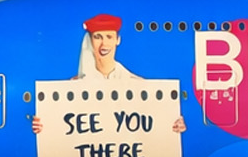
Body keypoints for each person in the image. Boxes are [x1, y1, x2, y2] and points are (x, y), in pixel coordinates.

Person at [33, 14, 185, 134]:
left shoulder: (138, 84)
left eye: (109, 37)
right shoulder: (73, 87)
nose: (104, 44)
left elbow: (157, 122)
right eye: (98, 37)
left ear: (117, 40)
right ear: (90, 41)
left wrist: (174, 125)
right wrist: (43, 126)